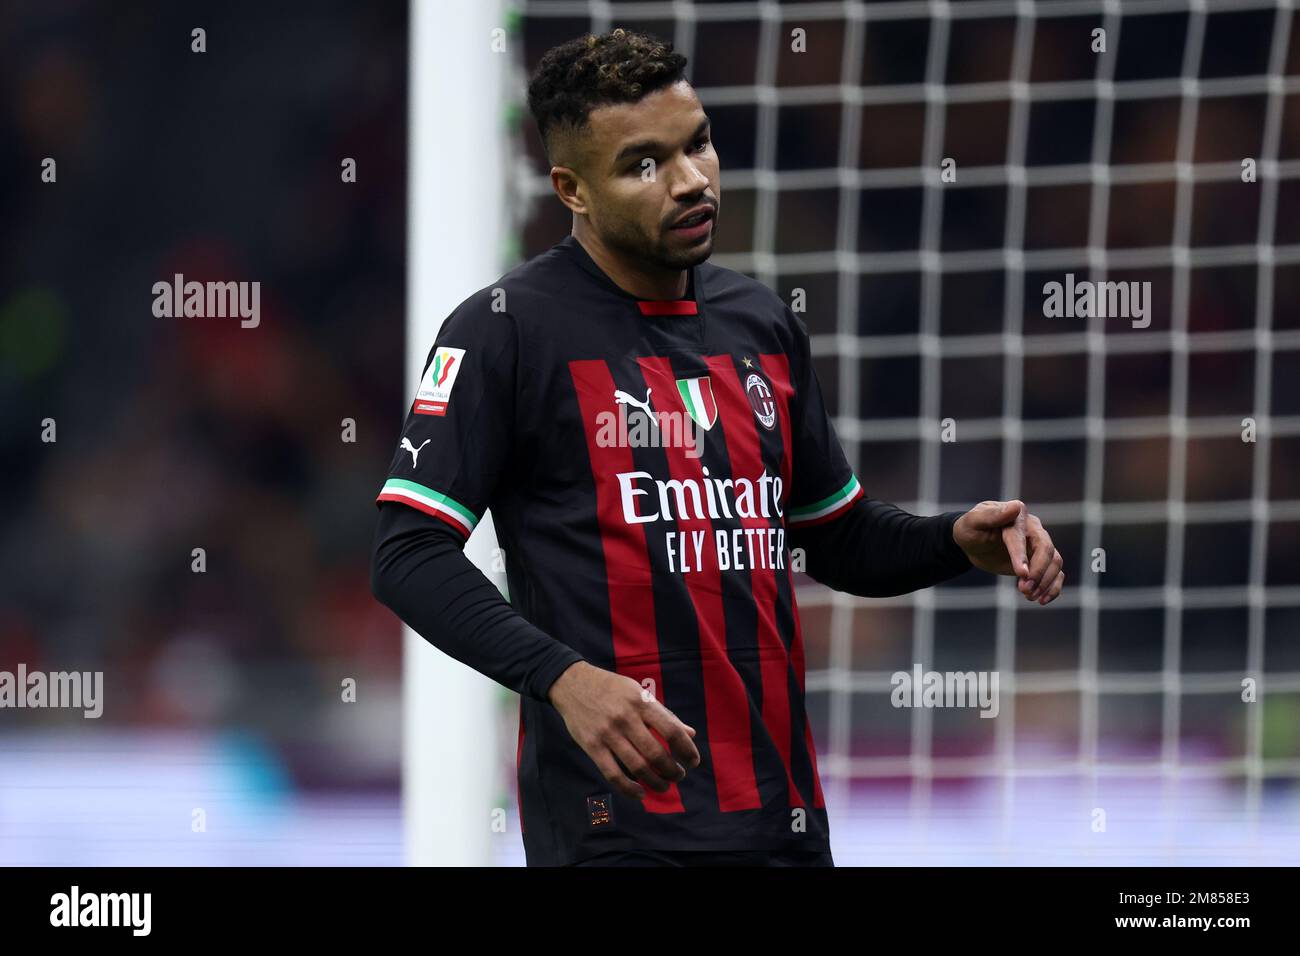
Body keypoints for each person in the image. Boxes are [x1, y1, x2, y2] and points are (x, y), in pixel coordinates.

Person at [371, 28, 1064, 867]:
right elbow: (407, 553)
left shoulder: (762, 324)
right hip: (615, 833)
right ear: (572, 189)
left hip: (782, 825)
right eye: (644, 164)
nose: (693, 180)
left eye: (697, 142)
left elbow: (836, 537)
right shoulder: (504, 331)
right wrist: (563, 677)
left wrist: (953, 539)